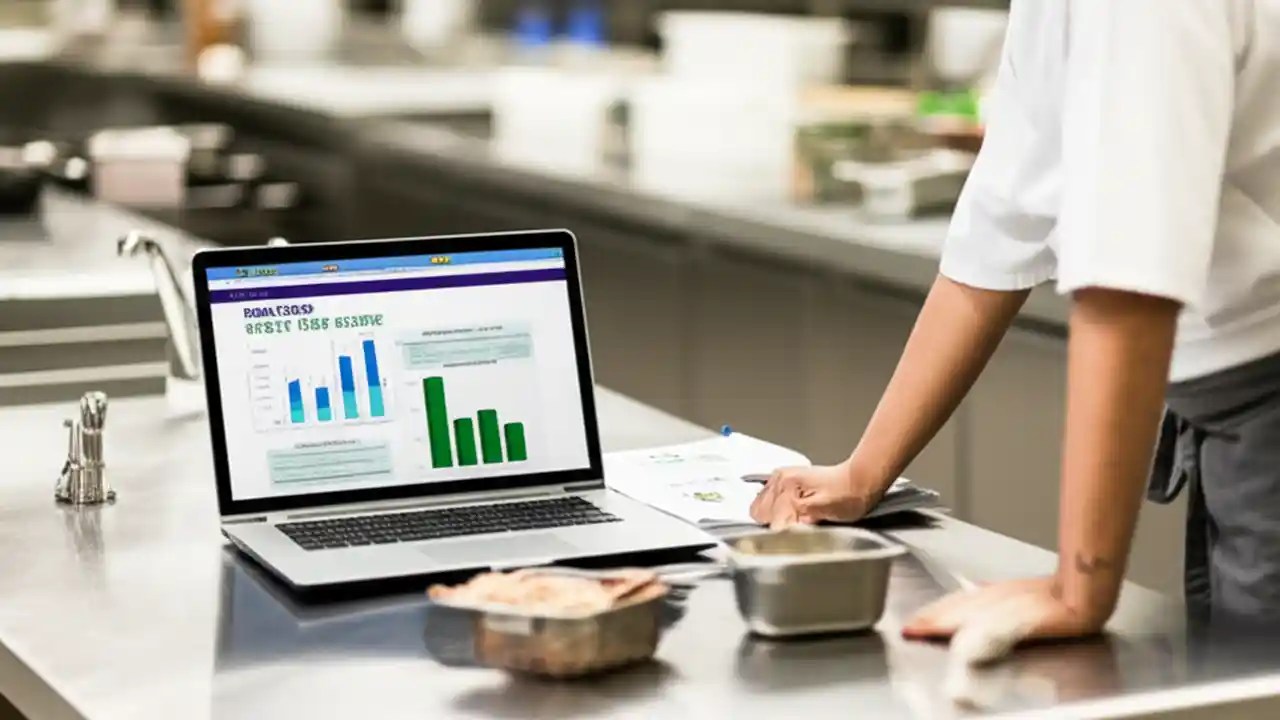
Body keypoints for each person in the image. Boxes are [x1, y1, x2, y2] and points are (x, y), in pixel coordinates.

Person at [751, 0, 1280, 639]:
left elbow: (1129, 283)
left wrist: (1079, 589)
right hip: (1231, 407)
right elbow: (1007, 215)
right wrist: (864, 473)